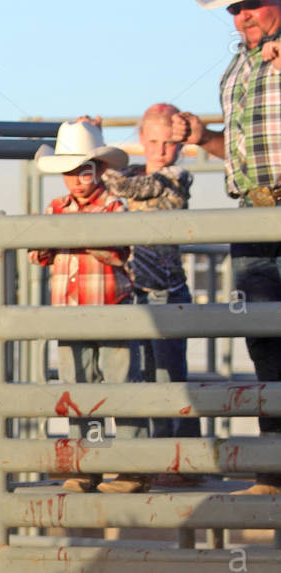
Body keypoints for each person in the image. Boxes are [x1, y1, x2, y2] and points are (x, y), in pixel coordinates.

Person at [177, 0, 281, 494]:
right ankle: (275, 466)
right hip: (254, 212)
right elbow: (242, 149)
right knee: (263, 339)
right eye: (235, 9)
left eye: (252, 5)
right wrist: (205, 138)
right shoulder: (236, 67)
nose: (244, 16)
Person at [31, 119, 150, 494]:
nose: (75, 179)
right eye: (68, 172)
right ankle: (87, 465)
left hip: (110, 310)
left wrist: (67, 237)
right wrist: (72, 238)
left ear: (98, 170)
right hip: (71, 315)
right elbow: (38, 252)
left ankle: (131, 467)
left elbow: (119, 251)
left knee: (120, 384)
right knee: (77, 386)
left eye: (82, 171)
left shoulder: (114, 206)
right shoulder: (56, 208)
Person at [101, 103, 202, 476]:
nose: (161, 151)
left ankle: (186, 464)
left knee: (171, 380)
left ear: (180, 146)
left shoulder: (176, 176)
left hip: (166, 292)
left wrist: (98, 161)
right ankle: (150, 461)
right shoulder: (135, 171)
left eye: (170, 143)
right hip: (135, 291)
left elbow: (128, 186)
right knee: (141, 376)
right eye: (155, 141)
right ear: (142, 139)